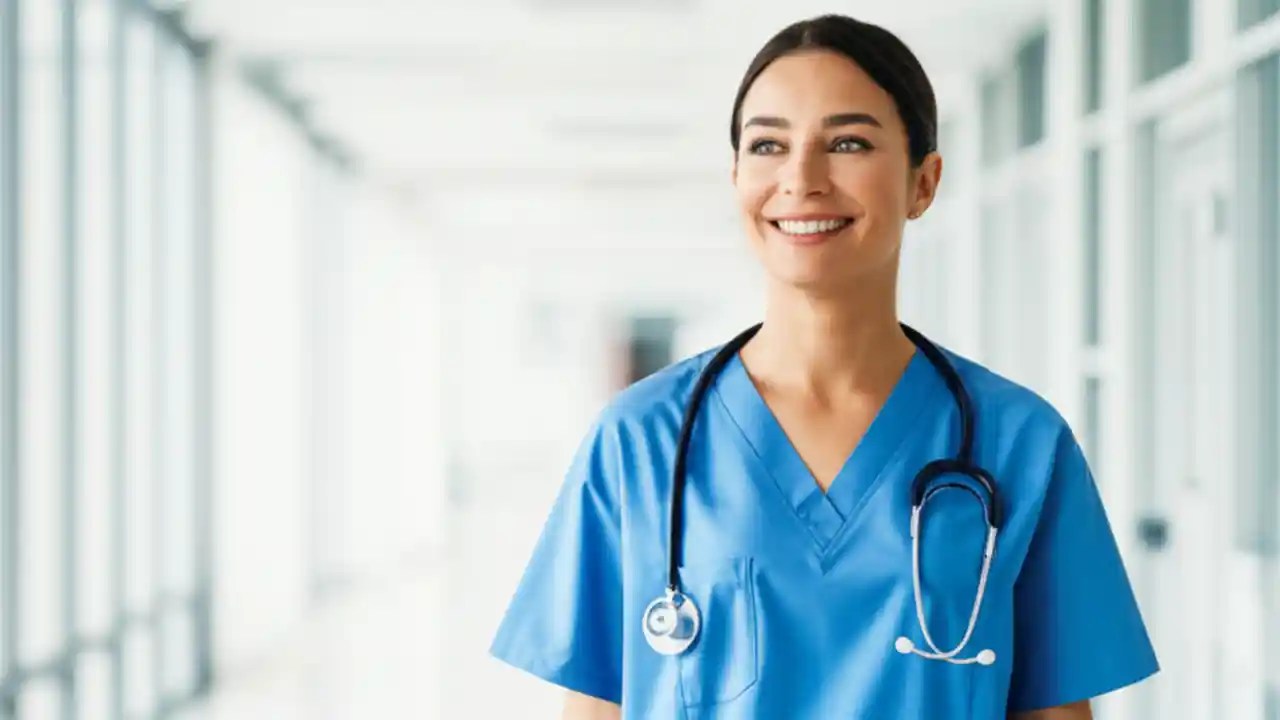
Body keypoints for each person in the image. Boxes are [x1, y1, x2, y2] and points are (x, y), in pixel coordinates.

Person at [489, 13, 1159, 720]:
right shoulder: (640, 439)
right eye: (768, 145)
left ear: (924, 182)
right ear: (737, 177)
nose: (801, 179)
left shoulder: (1020, 443)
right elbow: (596, 707)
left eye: (847, 143)